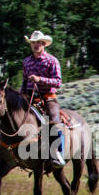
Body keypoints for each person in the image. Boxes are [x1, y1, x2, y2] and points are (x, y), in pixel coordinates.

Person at [22, 29, 65, 166]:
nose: (36, 45)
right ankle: (3, 154)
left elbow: (57, 82)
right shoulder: (27, 61)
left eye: (39, 43)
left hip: (48, 97)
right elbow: (24, 81)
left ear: (44, 44)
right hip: (29, 96)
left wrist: (39, 79)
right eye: (33, 43)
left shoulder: (52, 61)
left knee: (53, 120)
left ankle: (57, 154)